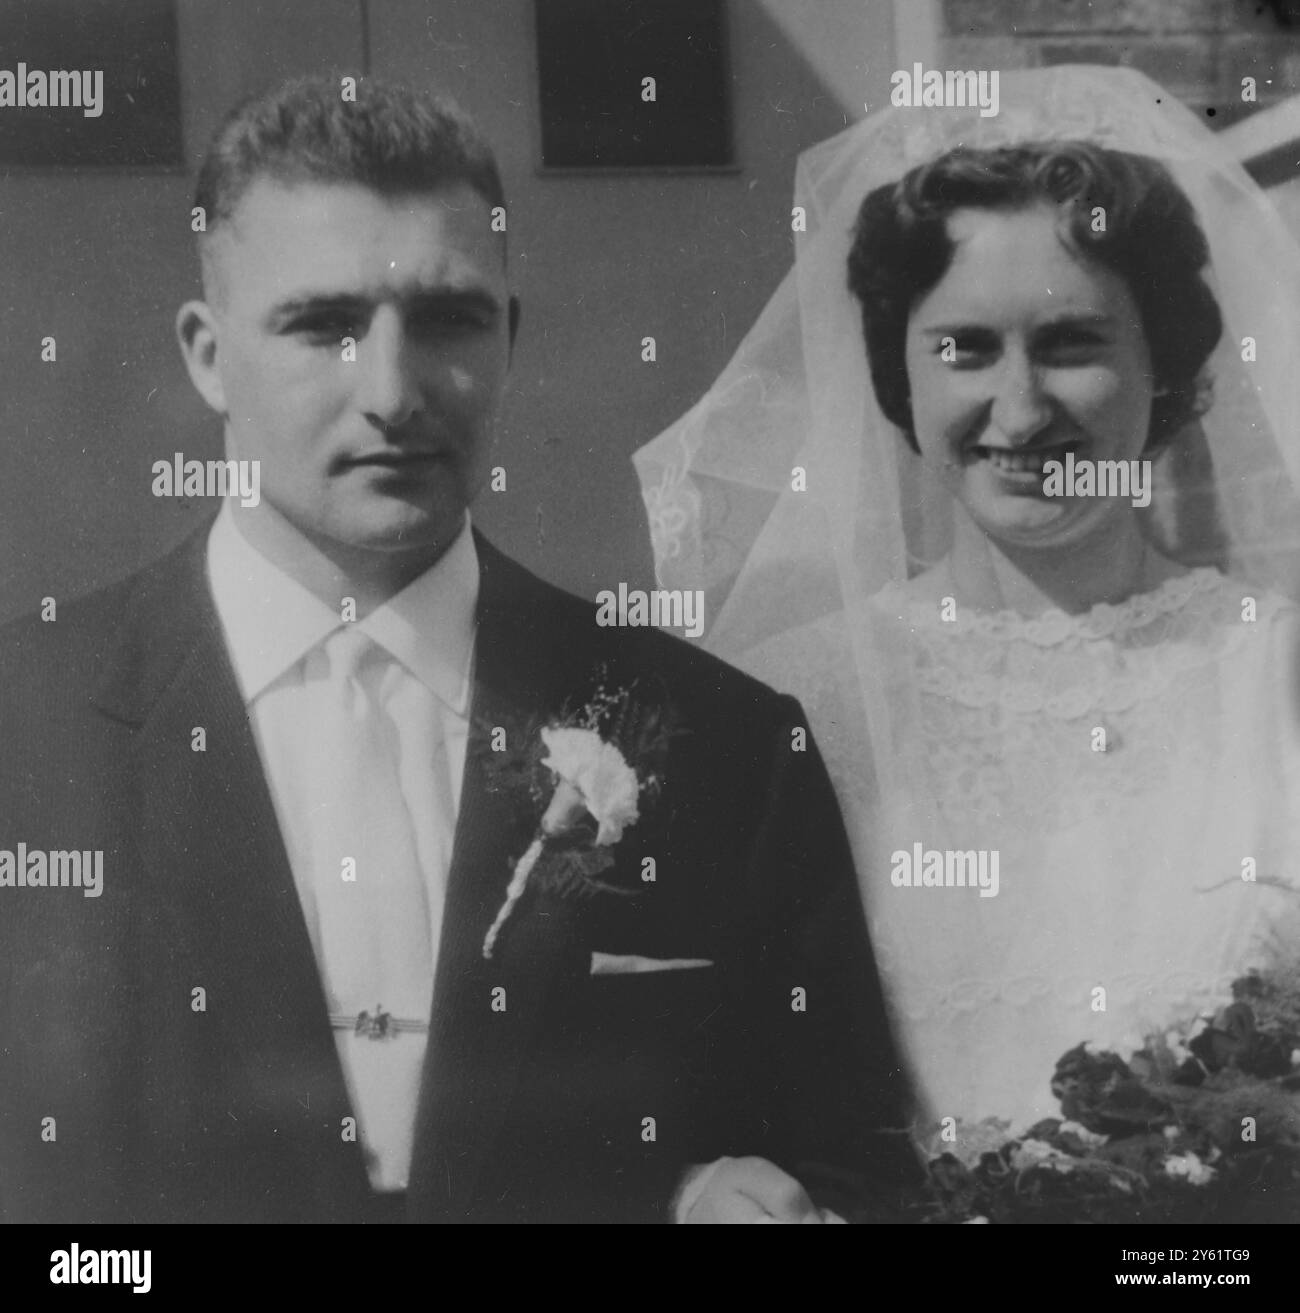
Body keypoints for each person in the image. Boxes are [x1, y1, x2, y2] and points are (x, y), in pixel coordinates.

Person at [0, 74, 911, 1224]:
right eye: (323, 325)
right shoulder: (22, 724)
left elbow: (859, 1173)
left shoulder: (722, 739)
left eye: (445, 321)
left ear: (510, 337)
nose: (392, 391)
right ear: (207, 352)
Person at [634, 66, 1300, 1152]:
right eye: (966, 348)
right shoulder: (800, 702)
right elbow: (702, 1095)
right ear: (899, 377)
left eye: (1074, 342)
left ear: (1164, 363)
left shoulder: (1276, 675)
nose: (1022, 407)